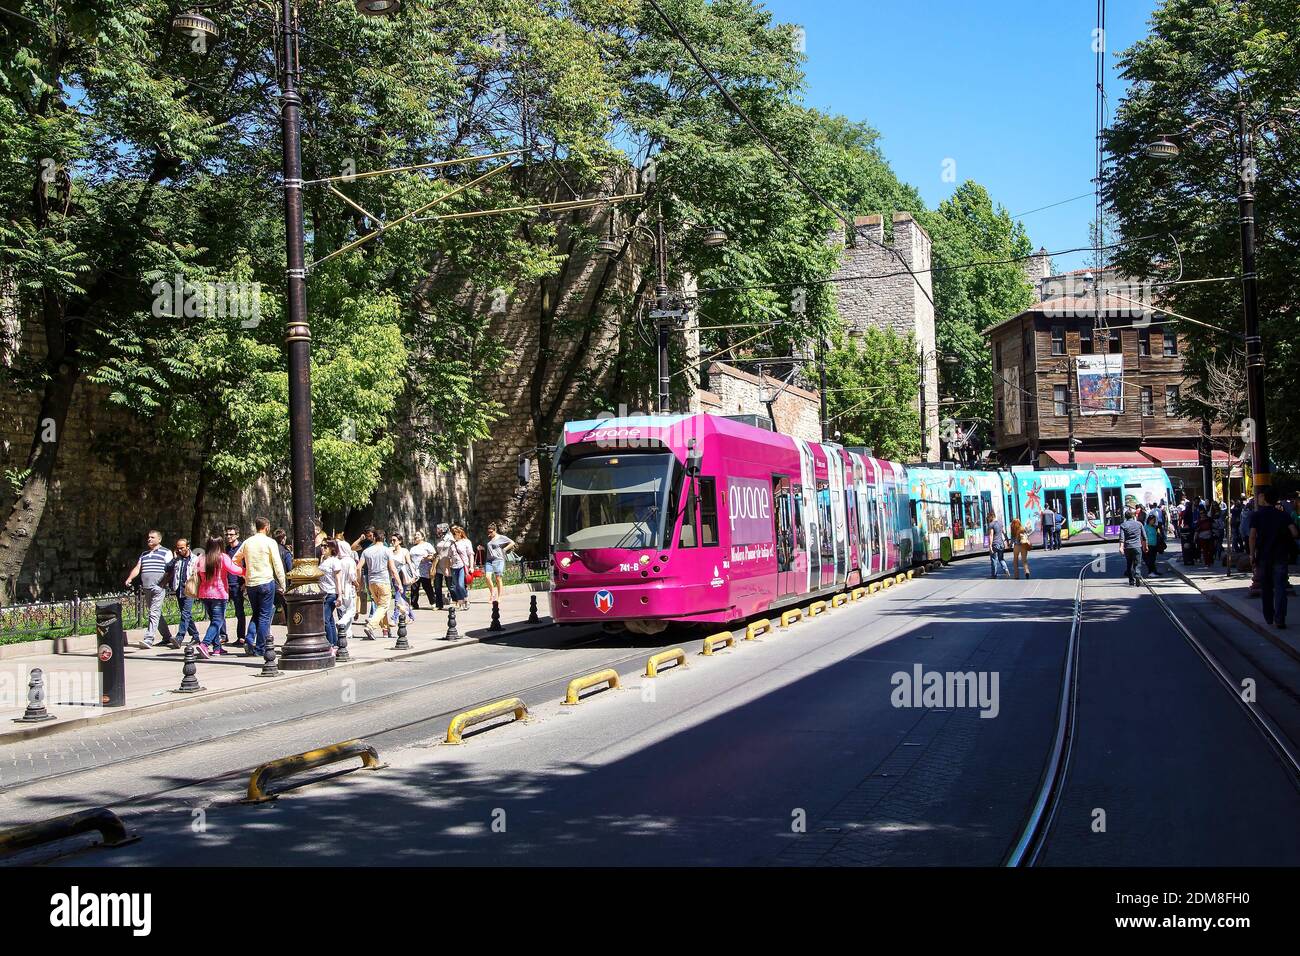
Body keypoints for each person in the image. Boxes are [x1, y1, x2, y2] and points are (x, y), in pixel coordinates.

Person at [234, 517, 286, 658]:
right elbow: (277, 565)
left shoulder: (247, 542)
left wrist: (244, 574)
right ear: (267, 527)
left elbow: (235, 560)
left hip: (251, 584)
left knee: (256, 614)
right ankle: (260, 648)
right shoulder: (270, 542)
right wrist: (283, 583)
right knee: (264, 616)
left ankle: (250, 639)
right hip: (266, 582)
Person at [1250, 486, 1299, 630]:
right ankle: (1280, 618)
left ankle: (1269, 616)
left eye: (1259, 496)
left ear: (1264, 497)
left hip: (1264, 556)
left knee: (1266, 588)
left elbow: (1252, 536)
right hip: (1280, 556)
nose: (1257, 498)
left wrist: (1252, 554)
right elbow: (1295, 533)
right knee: (1280, 588)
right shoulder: (1283, 515)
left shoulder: (1257, 515)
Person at [194, 535, 244, 657]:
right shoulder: (222, 557)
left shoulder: (201, 557)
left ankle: (217, 648)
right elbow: (235, 570)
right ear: (220, 545)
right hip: (219, 594)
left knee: (214, 621)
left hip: (204, 594)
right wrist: (246, 572)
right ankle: (204, 644)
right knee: (218, 621)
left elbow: (196, 573)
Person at [124, 530, 173, 649]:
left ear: (159, 539)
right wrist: (130, 578)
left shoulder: (166, 552)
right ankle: (167, 636)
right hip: (146, 588)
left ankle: (149, 639)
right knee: (155, 613)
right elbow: (138, 567)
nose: (149, 539)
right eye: (148, 537)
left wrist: (161, 584)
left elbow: (171, 570)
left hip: (158, 588)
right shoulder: (144, 554)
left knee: (153, 612)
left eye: (152, 537)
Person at [360, 529, 401, 640]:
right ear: (384, 538)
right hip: (383, 582)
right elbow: (392, 569)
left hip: (371, 582)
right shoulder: (387, 550)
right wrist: (399, 583)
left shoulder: (366, 551)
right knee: (384, 606)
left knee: (380, 608)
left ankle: (386, 630)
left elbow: (358, 567)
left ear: (374, 538)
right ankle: (371, 626)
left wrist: (358, 583)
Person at [167, 537, 202, 646]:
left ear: (188, 547)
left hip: (190, 589)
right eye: (178, 549)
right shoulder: (177, 559)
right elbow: (167, 568)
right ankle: (195, 636)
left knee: (186, 613)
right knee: (185, 614)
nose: (180, 550)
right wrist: (174, 558)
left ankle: (179, 637)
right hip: (179, 589)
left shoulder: (195, 559)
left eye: (182, 548)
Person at [317, 539, 346, 656]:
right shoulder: (323, 560)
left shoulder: (335, 561)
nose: (322, 548)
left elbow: (338, 579)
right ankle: (334, 644)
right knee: (329, 620)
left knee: (324, 619)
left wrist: (340, 596)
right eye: (322, 546)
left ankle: (330, 644)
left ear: (332, 548)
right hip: (323, 593)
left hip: (331, 593)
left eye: (325, 546)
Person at [221, 524, 248, 647]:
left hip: (237, 584)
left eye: (231, 534)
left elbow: (247, 565)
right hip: (225, 585)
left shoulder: (243, 548)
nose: (228, 537)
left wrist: (245, 583)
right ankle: (223, 636)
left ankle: (241, 637)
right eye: (227, 534)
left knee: (239, 612)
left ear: (237, 535)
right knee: (221, 611)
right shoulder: (225, 550)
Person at [483, 522, 517, 604]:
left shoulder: (501, 537)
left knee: (498, 578)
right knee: (487, 577)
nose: (490, 533)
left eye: (491, 532)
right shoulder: (489, 538)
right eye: (489, 532)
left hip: (498, 560)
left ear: (495, 531)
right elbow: (490, 548)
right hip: (489, 560)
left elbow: (512, 542)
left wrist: (504, 550)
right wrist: (482, 548)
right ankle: (492, 594)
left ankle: (499, 597)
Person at [387, 532, 417, 625]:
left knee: (397, 596)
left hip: (403, 575)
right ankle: (411, 616)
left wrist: (414, 574)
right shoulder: (389, 550)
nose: (392, 542)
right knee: (402, 597)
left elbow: (409, 563)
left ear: (400, 541)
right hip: (394, 576)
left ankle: (394, 618)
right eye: (391, 540)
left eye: (394, 540)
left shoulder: (404, 551)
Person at [408, 530, 437, 609]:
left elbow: (433, 555)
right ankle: (414, 604)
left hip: (425, 569)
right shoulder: (413, 548)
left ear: (423, 537)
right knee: (414, 587)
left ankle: (433, 603)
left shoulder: (427, 545)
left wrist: (427, 558)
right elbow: (410, 558)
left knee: (427, 586)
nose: (416, 536)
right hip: (415, 570)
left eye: (418, 535)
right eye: (415, 535)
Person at [1119, 508, 1146, 586]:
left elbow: (1122, 537)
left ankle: (1131, 580)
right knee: (1138, 562)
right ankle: (1137, 575)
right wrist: (1145, 546)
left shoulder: (1123, 525)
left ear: (1125, 517)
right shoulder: (1139, 524)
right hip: (1137, 546)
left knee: (1129, 562)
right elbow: (1144, 536)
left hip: (1127, 547)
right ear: (1133, 516)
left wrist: (1121, 547)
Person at [450, 525, 475, 610]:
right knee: (456, 586)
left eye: (454, 533)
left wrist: (471, 566)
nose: (453, 535)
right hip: (453, 566)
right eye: (452, 533)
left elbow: (470, 554)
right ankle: (460, 602)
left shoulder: (466, 541)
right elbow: (449, 556)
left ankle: (466, 598)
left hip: (462, 566)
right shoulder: (452, 543)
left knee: (461, 585)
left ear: (460, 533)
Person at [433, 523, 454, 610]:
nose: (437, 531)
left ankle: (458, 600)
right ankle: (439, 604)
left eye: (439, 529)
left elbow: (453, 551)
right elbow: (436, 550)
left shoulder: (450, 539)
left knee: (450, 585)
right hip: (438, 564)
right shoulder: (438, 539)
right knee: (437, 586)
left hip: (447, 564)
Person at [989, 514, 1009, 578]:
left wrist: (990, 546)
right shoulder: (1000, 523)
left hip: (995, 544)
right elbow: (1004, 532)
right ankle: (1005, 569)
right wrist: (1007, 540)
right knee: (1001, 559)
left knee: (994, 560)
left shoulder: (991, 524)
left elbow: (991, 535)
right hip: (1001, 544)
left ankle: (994, 575)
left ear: (991, 517)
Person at [1143, 513, 1161, 577]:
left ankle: (1154, 571)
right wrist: (1145, 545)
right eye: (1153, 520)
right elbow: (1143, 537)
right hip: (1149, 545)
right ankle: (1150, 572)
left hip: (1154, 545)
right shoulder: (1145, 527)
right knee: (1150, 559)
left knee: (1153, 559)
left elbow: (1158, 535)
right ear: (1149, 520)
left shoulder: (1155, 527)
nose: (1154, 521)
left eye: (1154, 520)